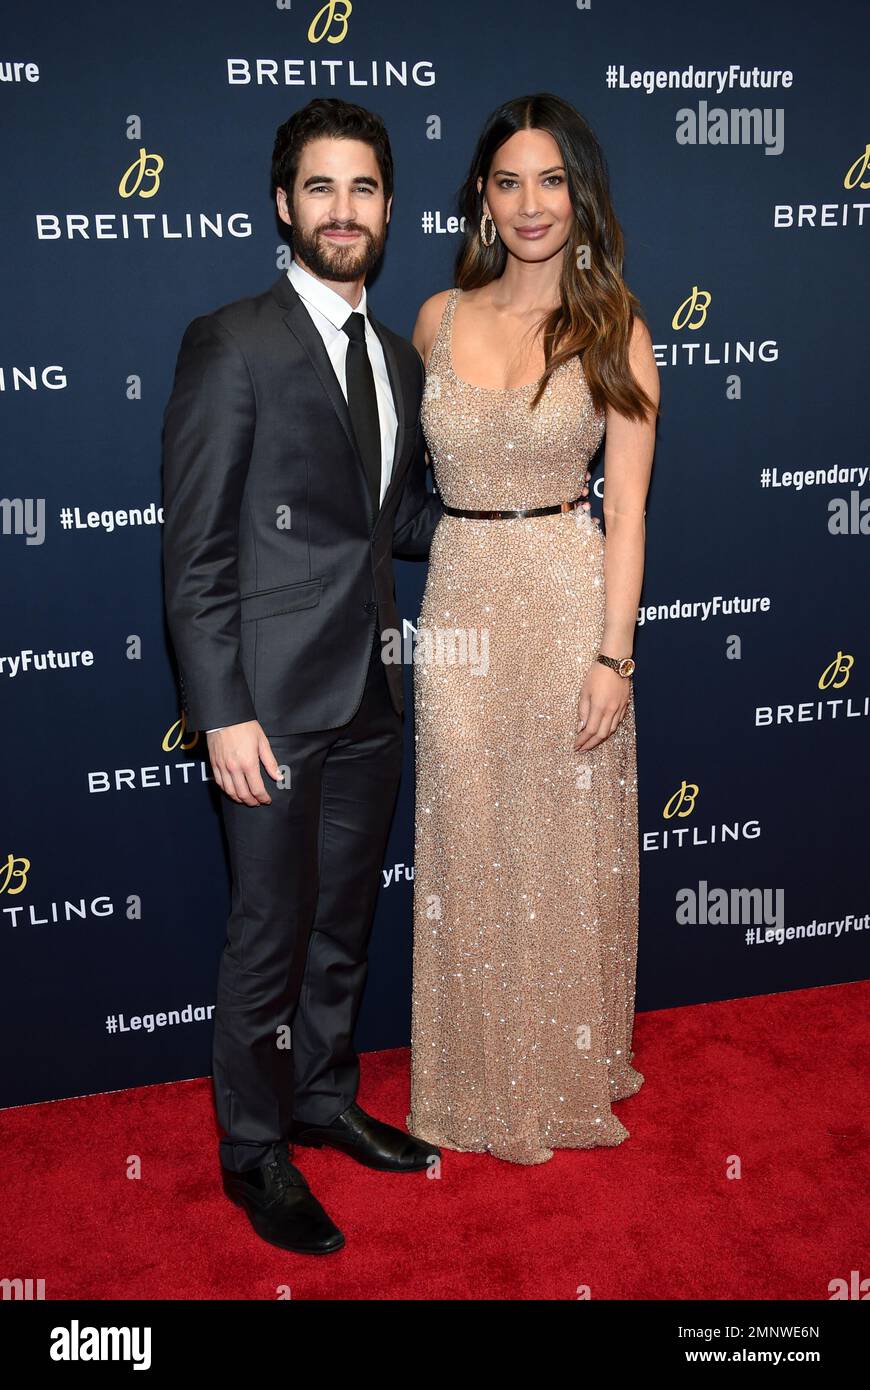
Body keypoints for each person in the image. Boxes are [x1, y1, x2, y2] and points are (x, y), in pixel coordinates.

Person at [161, 98, 448, 1255]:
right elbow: (195, 550)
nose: (344, 210)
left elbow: (401, 520)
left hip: (373, 695)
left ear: (389, 207)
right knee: (268, 933)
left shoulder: (397, 358)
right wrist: (219, 708)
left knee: (342, 927)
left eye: (364, 189)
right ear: (285, 206)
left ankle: (323, 1101)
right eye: (321, 189)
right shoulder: (230, 341)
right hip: (268, 712)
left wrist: (527, 503)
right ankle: (254, 1149)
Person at [407, 93, 659, 1165]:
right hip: (459, 598)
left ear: (581, 194)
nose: (529, 203)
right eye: (508, 181)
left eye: (550, 180)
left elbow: (633, 511)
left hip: (565, 596)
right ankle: (469, 1072)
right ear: (481, 197)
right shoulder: (433, 318)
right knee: (466, 831)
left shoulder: (619, 327)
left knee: (559, 843)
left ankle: (561, 1065)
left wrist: (615, 654)